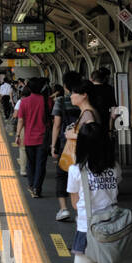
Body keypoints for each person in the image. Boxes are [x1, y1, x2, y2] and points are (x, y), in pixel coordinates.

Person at [58, 121, 126, 263]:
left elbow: (76, 204)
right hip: (111, 232)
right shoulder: (114, 168)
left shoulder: (76, 170)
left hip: (87, 232)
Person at [50, 74, 82, 223]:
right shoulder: (85, 100)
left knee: (62, 175)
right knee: (80, 175)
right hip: (83, 143)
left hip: (66, 144)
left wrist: (53, 145)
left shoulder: (61, 101)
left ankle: (63, 209)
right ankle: (79, 209)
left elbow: (56, 125)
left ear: (65, 86)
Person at [15, 77, 49, 197]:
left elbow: (20, 120)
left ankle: (31, 184)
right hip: (43, 138)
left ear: (29, 88)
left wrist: (18, 135)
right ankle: (37, 188)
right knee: (41, 164)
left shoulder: (24, 102)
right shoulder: (46, 100)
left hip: (29, 138)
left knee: (31, 163)